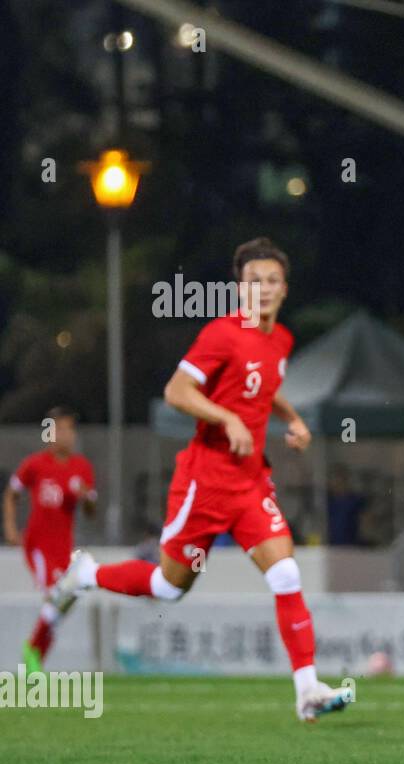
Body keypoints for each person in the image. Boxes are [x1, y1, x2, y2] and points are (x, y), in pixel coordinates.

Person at [49, 238, 350, 722]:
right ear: (240, 288)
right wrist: (227, 419)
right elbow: (177, 390)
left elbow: (262, 387)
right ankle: (86, 574)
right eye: (255, 281)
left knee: (286, 573)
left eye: (272, 280)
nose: (264, 289)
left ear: (285, 289)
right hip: (204, 481)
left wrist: (292, 418)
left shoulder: (282, 341)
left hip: (251, 483)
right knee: (168, 587)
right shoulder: (222, 334)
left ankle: (307, 690)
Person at [3, 407, 95, 671]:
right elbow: (12, 493)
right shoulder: (36, 464)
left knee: (66, 598)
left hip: (64, 546)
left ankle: (34, 658)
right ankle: (33, 651)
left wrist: (86, 497)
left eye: (70, 430)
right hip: (39, 545)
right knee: (58, 595)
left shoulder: (82, 468)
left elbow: (91, 511)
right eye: (60, 429)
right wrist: (10, 527)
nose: (66, 435)